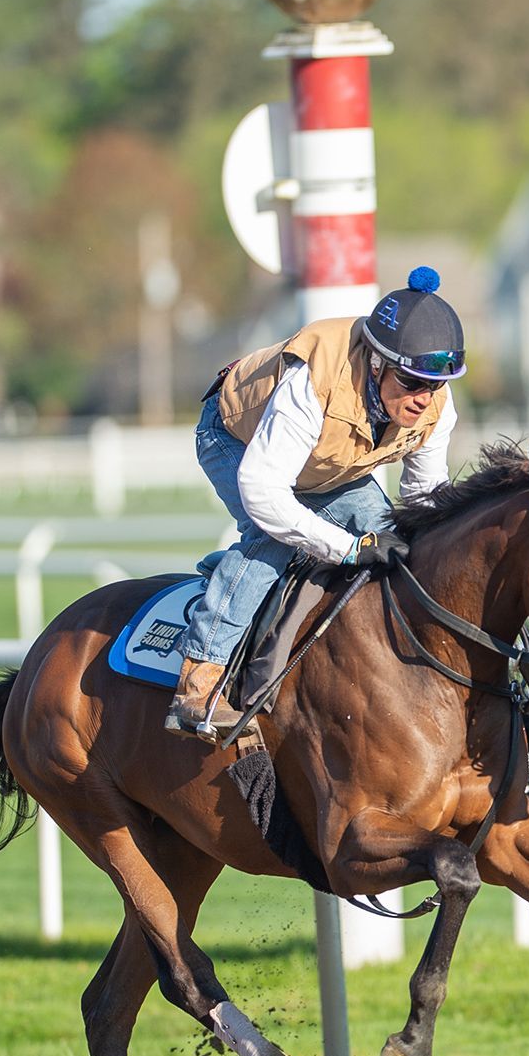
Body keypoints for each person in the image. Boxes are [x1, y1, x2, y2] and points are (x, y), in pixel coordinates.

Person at [167, 266, 465, 736]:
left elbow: (423, 498)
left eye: (435, 385)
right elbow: (265, 493)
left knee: (393, 539)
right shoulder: (312, 379)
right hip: (236, 439)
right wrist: (348, 548)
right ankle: (199, 679)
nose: (424, 400)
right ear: (376, 363)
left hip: (327, 465)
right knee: (273, 540)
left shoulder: (436, 408)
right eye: (411, 382)